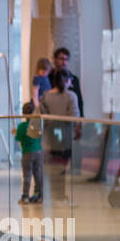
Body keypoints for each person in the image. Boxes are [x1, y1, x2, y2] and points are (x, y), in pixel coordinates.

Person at [38, 68, 81, 204]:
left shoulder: (46, 96)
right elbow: (74, 115)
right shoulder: (71, 96)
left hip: (49, 138)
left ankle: (52, 194)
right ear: (67, 80)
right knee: (61, 168)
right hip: (65, 138)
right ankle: (60, 195)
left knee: (52, 168)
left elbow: (41, 116)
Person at [15, 102, 43, 204]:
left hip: (27, 153)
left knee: (27, 175)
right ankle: (40, 196)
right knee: (38, 175)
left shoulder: (22, 126)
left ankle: (25, 196)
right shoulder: (37, 125)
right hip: (38, 152)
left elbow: (18, 138)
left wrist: (15, 133)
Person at [52, 47, 83, 116]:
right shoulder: (49, 77)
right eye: (61, 59)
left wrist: (81, 118)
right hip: (53, 115)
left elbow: (79, 101)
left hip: (69, 116)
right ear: (55, 59)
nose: (64, 62)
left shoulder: (74, 79)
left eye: (66, 59)